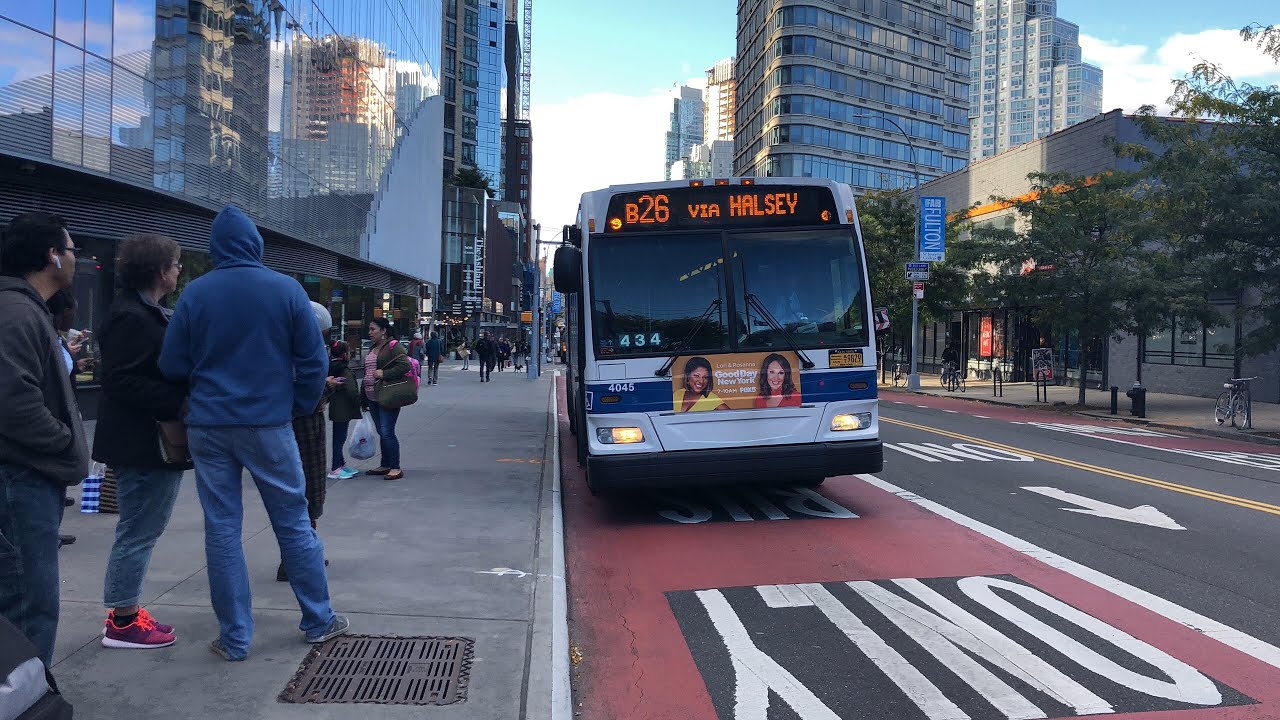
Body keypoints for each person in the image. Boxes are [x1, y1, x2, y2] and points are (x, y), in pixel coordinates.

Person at [158, 205, 347, 661]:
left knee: (222, 528)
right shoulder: (287, 290)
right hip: (268, 423)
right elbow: (314, 362)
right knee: (293, 521)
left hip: (209, 425)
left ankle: (236, 637)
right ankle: (318, 620)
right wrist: (298, 403)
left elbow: (171, 365)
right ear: (256, 245)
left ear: (215, 247)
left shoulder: (196, 294)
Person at [0, 212, 89, 667]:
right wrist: (64, 441)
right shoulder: (16, 313)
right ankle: (24, 701)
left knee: (25, 601)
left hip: (27, 479)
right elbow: (13, 404)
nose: (76, 259)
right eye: (72, 249)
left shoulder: (24, 309)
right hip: (21, 480)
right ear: (52, 256)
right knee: (28, 605)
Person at [93, 234, 189, 649]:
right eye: (175, 264)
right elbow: (120, 381)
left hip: (149, 440)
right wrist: (180, 399)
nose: (178, 271)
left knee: (144, 528)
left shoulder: (145, 312)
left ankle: (125, 609)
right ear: (158, 270)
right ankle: (123, 620)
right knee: (138, 530)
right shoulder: (131, 316)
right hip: (143, 441)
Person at [277, 302, 340, 583]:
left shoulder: (281, 350)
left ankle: (301, 554)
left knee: (299, 493)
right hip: (304, 427)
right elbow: (308, 396)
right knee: (307, 492)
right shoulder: (303, 356)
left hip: (291, 425)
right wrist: (326, 387)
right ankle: (298, 558)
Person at [361, 317, 409, 480]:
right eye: (369, 329)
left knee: (387, 432)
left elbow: (404, 365)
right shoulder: (372, 347)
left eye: (373, 329)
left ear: (383, 331)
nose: (370, 332)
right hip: (372, 397)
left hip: (387, 395)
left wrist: (384, 373)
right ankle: (385, 464)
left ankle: (395, 467)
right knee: (382, 432)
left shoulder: (393, 346)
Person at [326, 339, 360, 481]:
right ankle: (335, 468)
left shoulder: (331, 366)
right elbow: (351, 390)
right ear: (345, 354)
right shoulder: (344, 369)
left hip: (336, 407)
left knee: (338, 438)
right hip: (343, 408)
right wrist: (359, 402)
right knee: (339, 439)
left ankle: (340, 464)